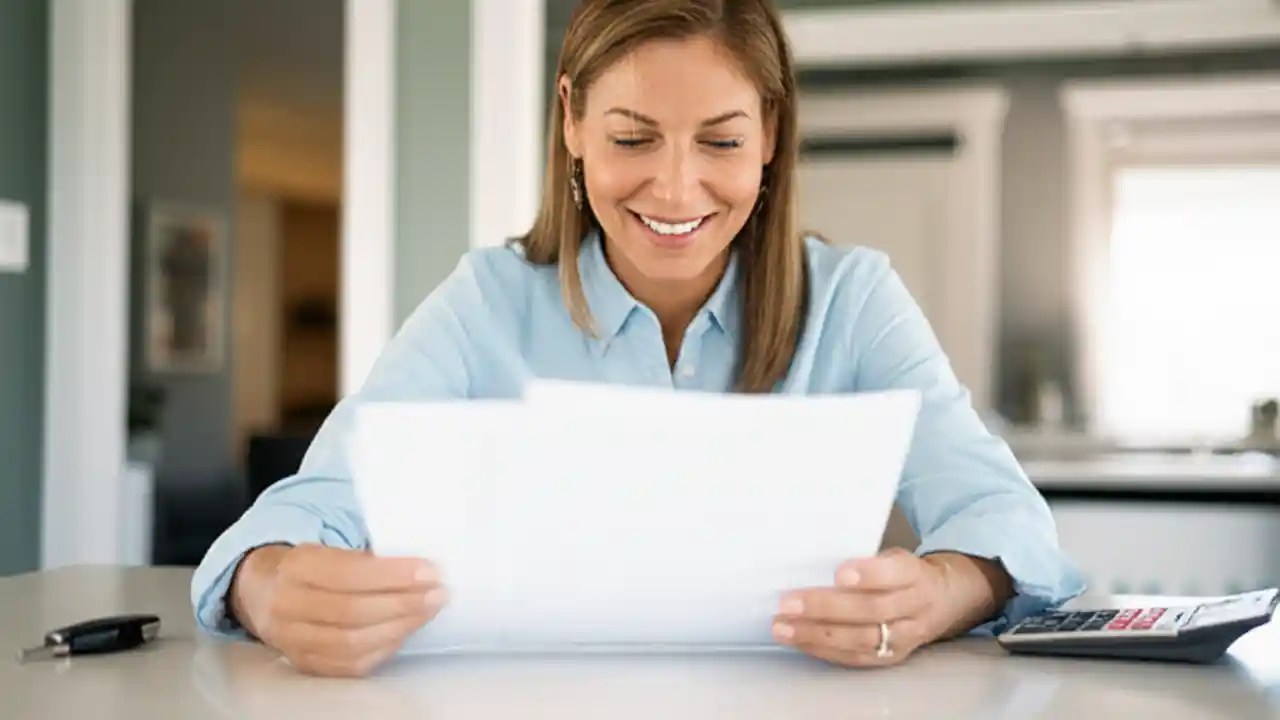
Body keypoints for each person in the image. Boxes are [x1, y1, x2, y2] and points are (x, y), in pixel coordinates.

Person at [192, 0, 1083, 678]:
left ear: (770, 135)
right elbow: (314, 503)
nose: (676, 188)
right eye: (633, 137)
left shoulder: (853, 301)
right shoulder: (483, 304)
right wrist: (268, 585)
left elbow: (1009, 523)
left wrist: (940, 591)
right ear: (573, 121)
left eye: (721, 141)